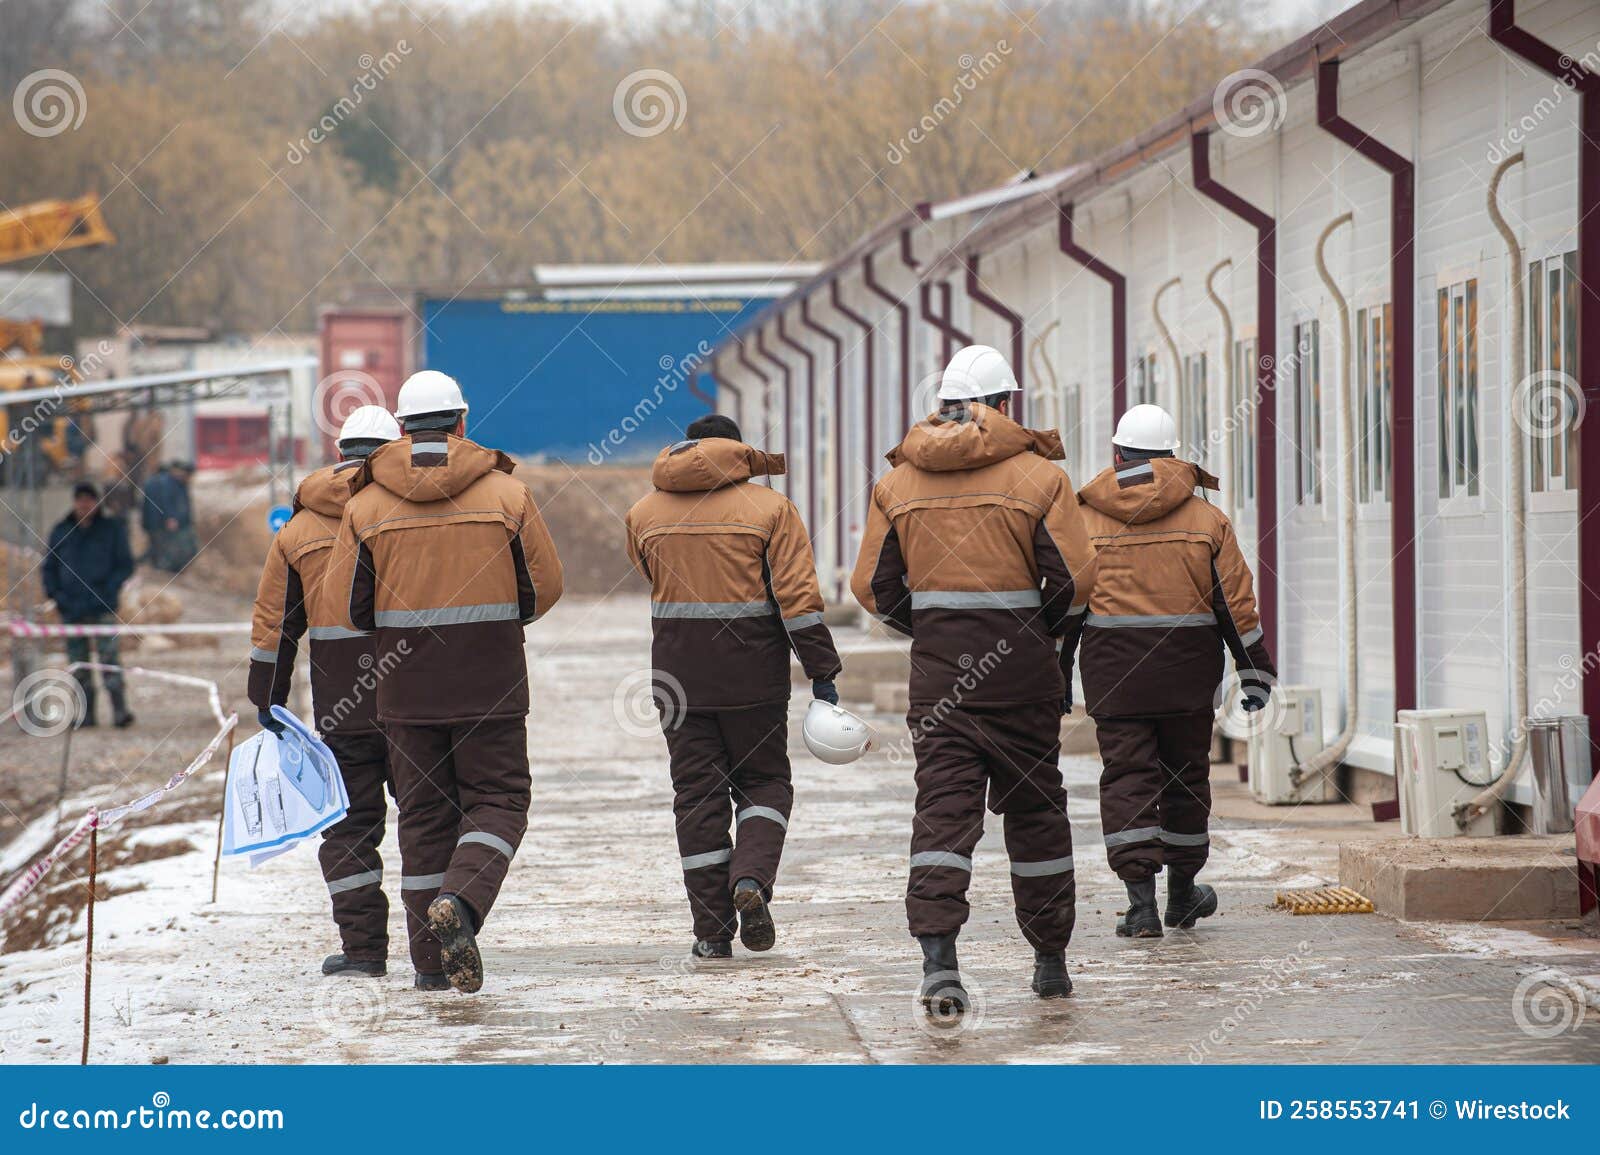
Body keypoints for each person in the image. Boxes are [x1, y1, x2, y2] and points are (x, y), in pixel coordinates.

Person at [850, 344, 1098, 1012]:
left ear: (943, 407)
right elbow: (1074, 584)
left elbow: (870, 588)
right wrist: (1036, 631)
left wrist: (931, 624)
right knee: (1037, 812)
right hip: (1022, 680)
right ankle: (1049, 961)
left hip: (940, 686)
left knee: (943, 813)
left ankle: (939, 965)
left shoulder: (898, 482)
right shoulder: (1040, 478)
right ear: (1007, 405)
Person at [340, 370, 563, 994]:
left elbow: (351, 607)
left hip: (404, 692)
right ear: (462, 423)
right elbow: (545, 587)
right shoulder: (506, 495)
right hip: (489, 682)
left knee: (422, 819)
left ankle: (430, 968)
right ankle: (462, 903)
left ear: (402, 429)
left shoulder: (363, 505)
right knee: (501, 801)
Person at [624, 414, 842, 960]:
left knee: (696, 800)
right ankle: (751, 880)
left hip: (676, 682)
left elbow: (650, 575)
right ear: (739, 452)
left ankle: (711, 934)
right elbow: (797, 599)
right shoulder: (771, 510)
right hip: (754, 680)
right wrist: (822, 671)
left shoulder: (643, 513)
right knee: (765, 783)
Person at [1063, 403, 1277, 938]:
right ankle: (1182, 895)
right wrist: (1255, 671)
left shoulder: (1082, 518)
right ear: (1173, 456)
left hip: (1114, 677)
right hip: (1187, 674)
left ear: (1117, 454)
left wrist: (1056, 676)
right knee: (1186, 778)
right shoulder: (1207, 519)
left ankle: (1140, 906)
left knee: (1127, 778)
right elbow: (1236, 605)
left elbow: (1066, 606)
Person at [247, 405, 402, 978]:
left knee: (349, 829)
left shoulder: (298, 529)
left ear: (340, 454)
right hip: (418, 699)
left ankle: (363, 953)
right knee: (430, 819)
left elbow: (274, 625)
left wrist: (267, 700)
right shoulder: (410, 509)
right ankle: (435, 955)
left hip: (344, 706)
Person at [42, 481, 135, 728]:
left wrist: (108, 591)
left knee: (109, 660)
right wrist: (59, 598)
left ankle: (119, 711)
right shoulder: (61, 531)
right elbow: (49, 569)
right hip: (72, 610)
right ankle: (86, 714)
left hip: (102, 608)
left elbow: (125, 564)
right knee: (78, 663)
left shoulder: (111, 529)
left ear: (96, 502)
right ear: (74, 502)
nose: (85, 505)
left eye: (89, 500)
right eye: (80, 500)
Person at [141, 460, 196, 572]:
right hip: (162, 523)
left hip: (157, 523)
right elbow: (166, 503)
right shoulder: (165, 483)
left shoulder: (174, 483)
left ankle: (160, 567)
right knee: (165, 548)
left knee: (158, 547)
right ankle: (163, 569)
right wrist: (170, 518)